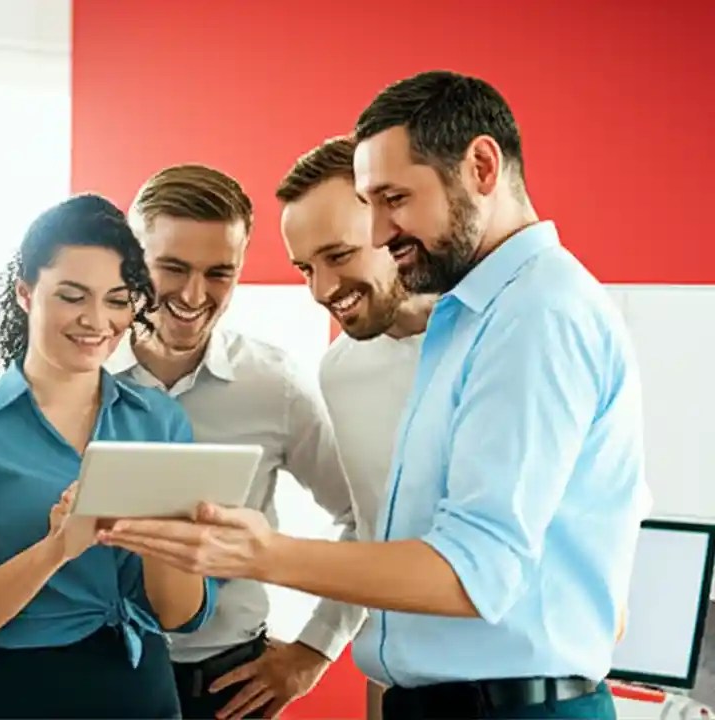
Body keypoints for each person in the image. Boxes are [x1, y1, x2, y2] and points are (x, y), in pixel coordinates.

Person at [100, 70, 652, 719]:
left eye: (393, 201)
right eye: (306, 266)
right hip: (424, 699)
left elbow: (478, 568)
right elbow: (384, 536)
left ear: (481, 167)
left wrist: (265, 558)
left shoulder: (536, 314)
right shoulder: (440, 336)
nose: (384, 230)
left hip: (517, 702)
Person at [0, 194, 218, 719]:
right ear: (25, 293)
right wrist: (57, 549)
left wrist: (165, 537)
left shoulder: (159, 422)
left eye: (117, 300)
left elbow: (179, 615)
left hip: (137, 692)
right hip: (4, 696)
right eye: (73, 296)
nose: (97, 320)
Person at [105, 164, 358, 720]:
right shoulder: (78, 373)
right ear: (132, 258)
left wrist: (315, 650)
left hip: (223, 693)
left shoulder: (274, 384)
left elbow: (364, 517)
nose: (194, 294)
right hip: (91, 683)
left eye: (219, 272)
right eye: (173, 267)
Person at [276, 135, 435, 720]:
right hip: (400, 692)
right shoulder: (340, 372)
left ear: (391, 227)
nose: (321, 290)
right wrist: (320, 646)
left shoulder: (500, 339)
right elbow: (371, 538)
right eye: (305, 268)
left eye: (338, 255)